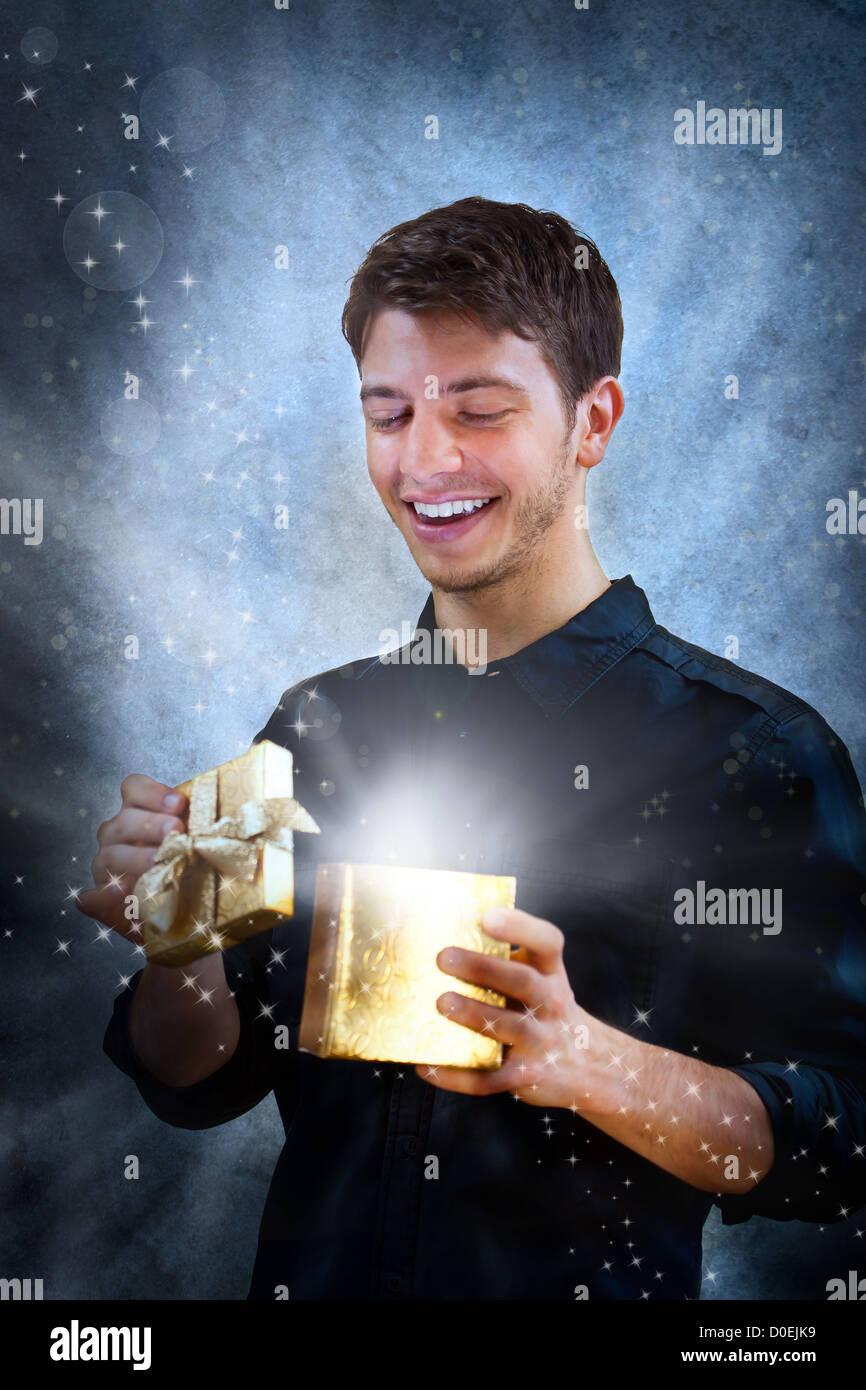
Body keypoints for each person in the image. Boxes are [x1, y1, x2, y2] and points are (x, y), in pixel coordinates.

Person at [79, 197, 866, 1300]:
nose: (425, 460)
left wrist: (586, 1061)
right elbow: (194, 1078)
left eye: (479, 409)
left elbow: (841, 1147)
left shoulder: (753, 751)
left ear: (592, 422)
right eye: (388, 412)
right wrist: (178, 946)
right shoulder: (314, 726)